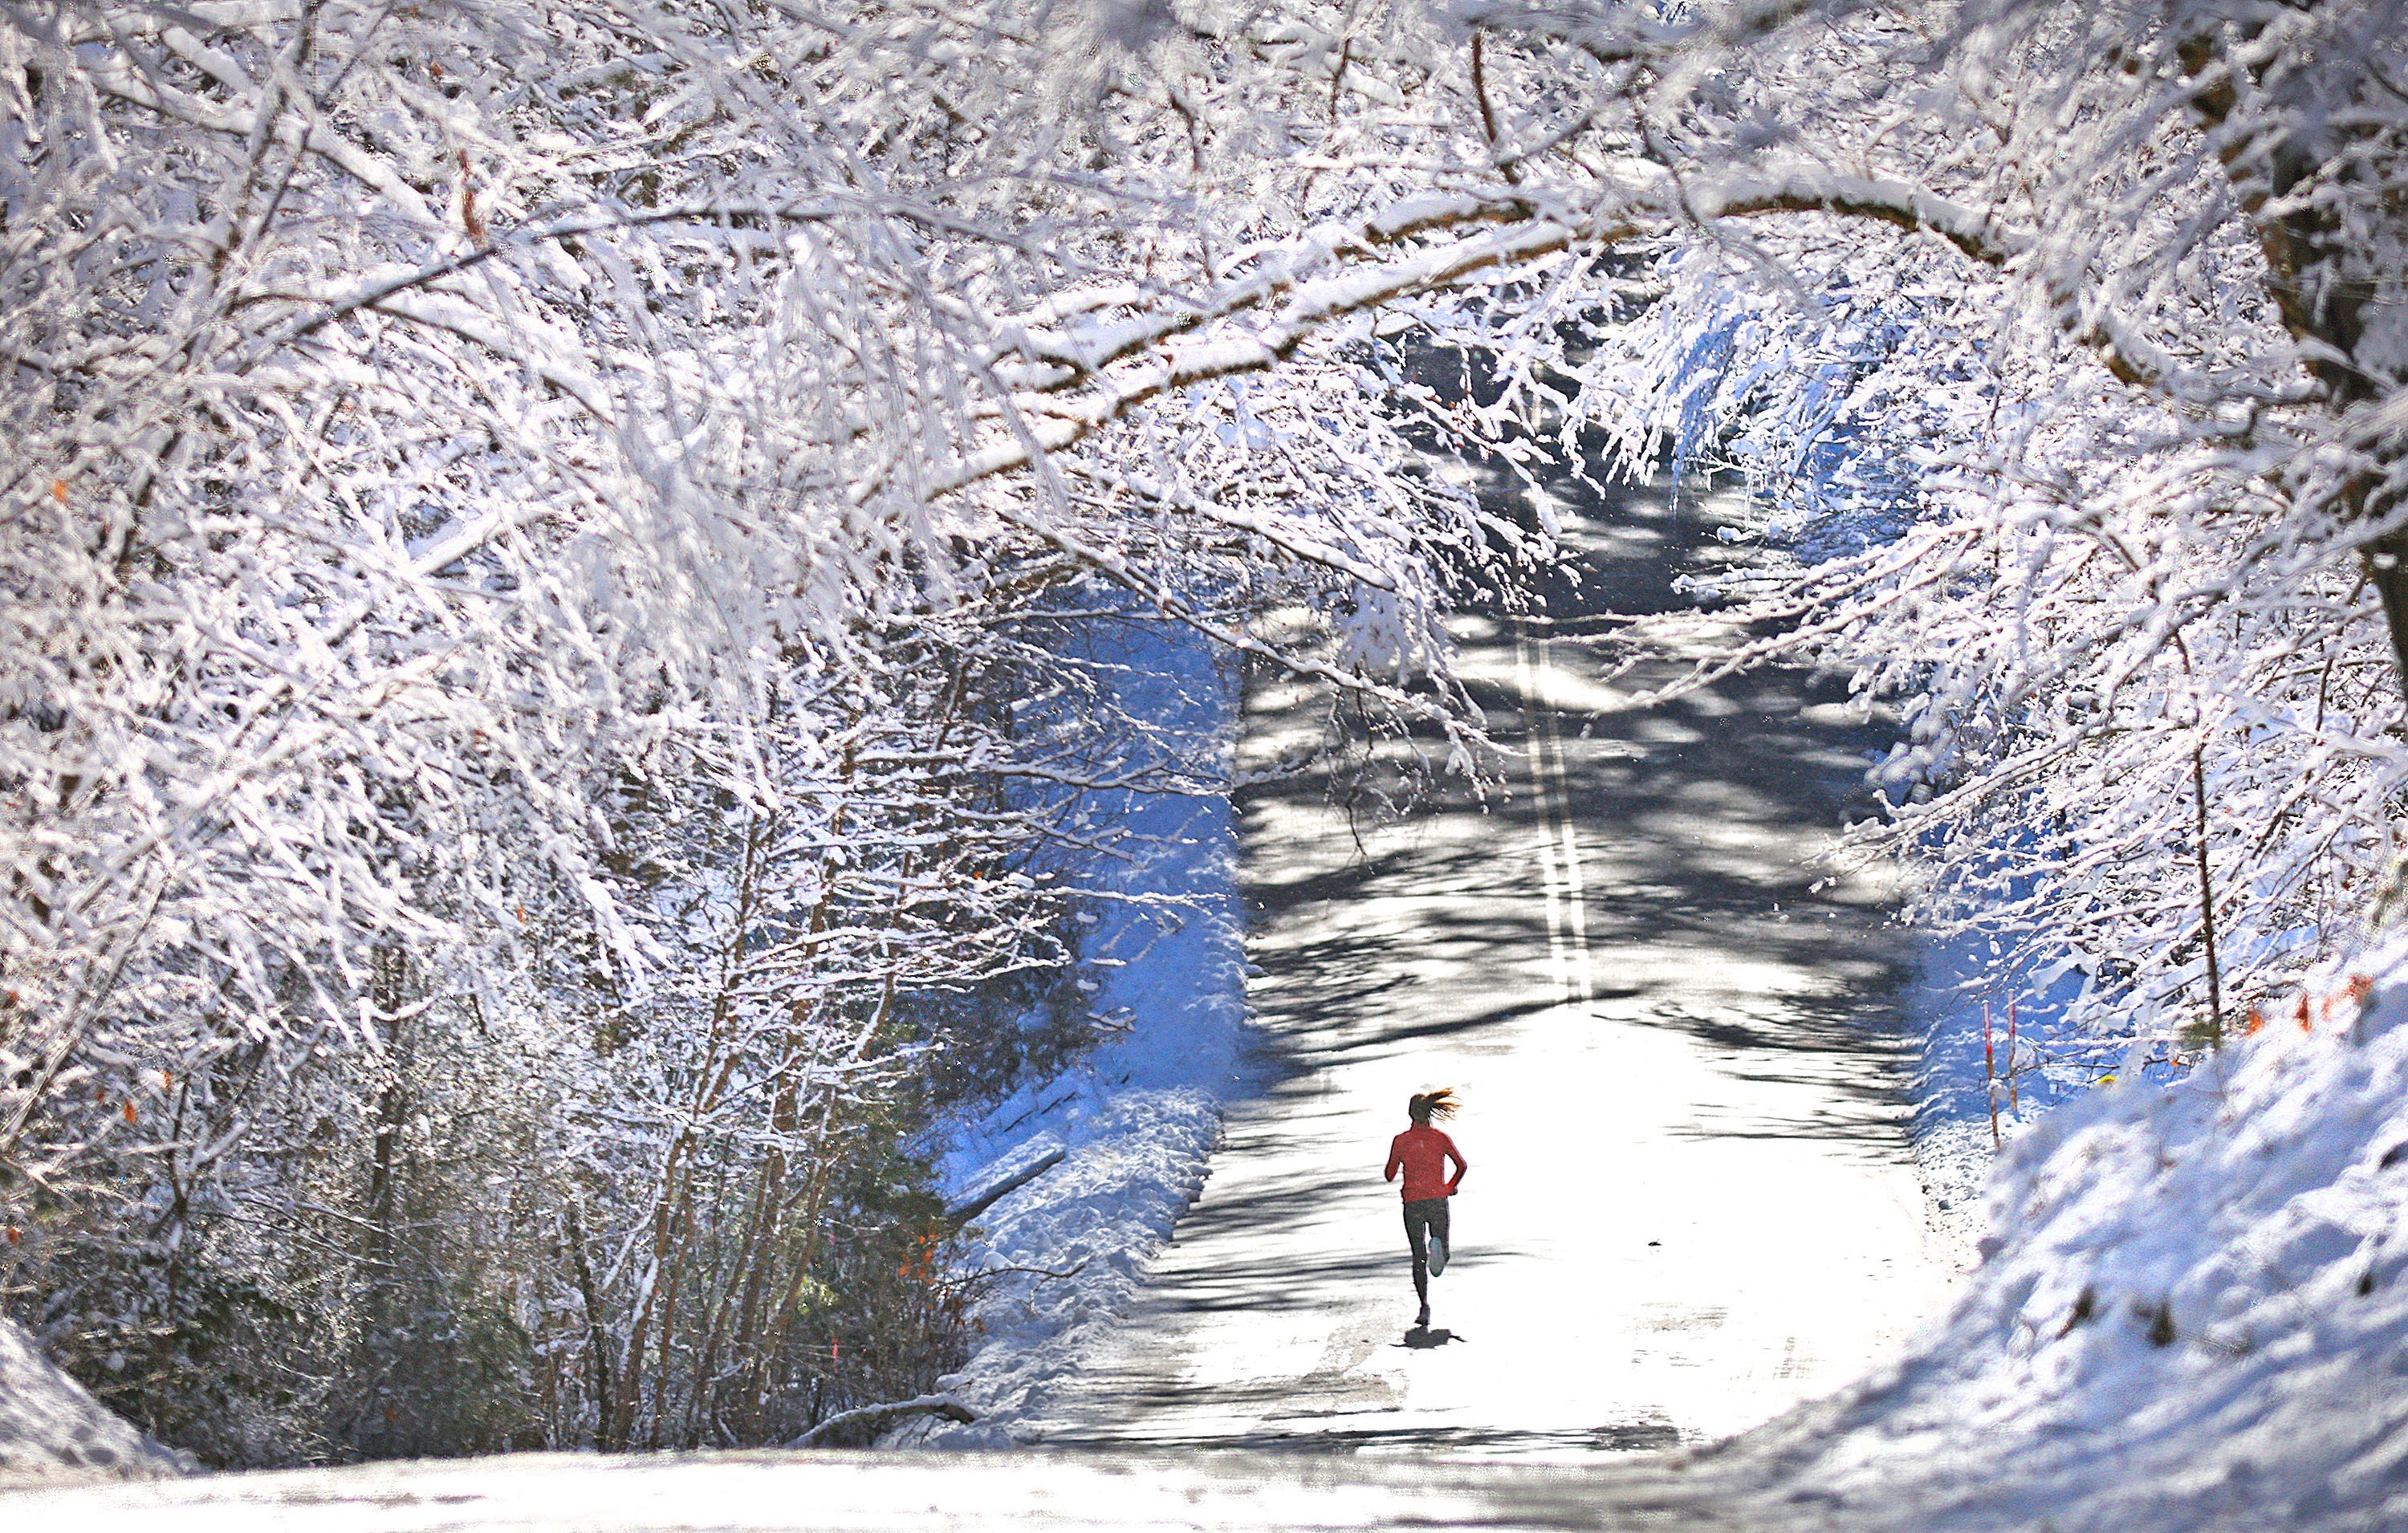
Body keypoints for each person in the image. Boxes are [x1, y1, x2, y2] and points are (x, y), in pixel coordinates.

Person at [1383, 1088, 1466, 1329]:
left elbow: (1389, 1175)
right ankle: (1439, 1251)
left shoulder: (1401, 1141)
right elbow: (1461, 1165)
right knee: (1442, 1251)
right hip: (1437, 1200)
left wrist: (1400, 1161)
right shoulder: (1440, 1138)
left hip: (1413, 1203)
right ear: (1429, 1112)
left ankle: (1424, 1306)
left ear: (1410, 1114)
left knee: (1417, 1256)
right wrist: (1450, 1186)